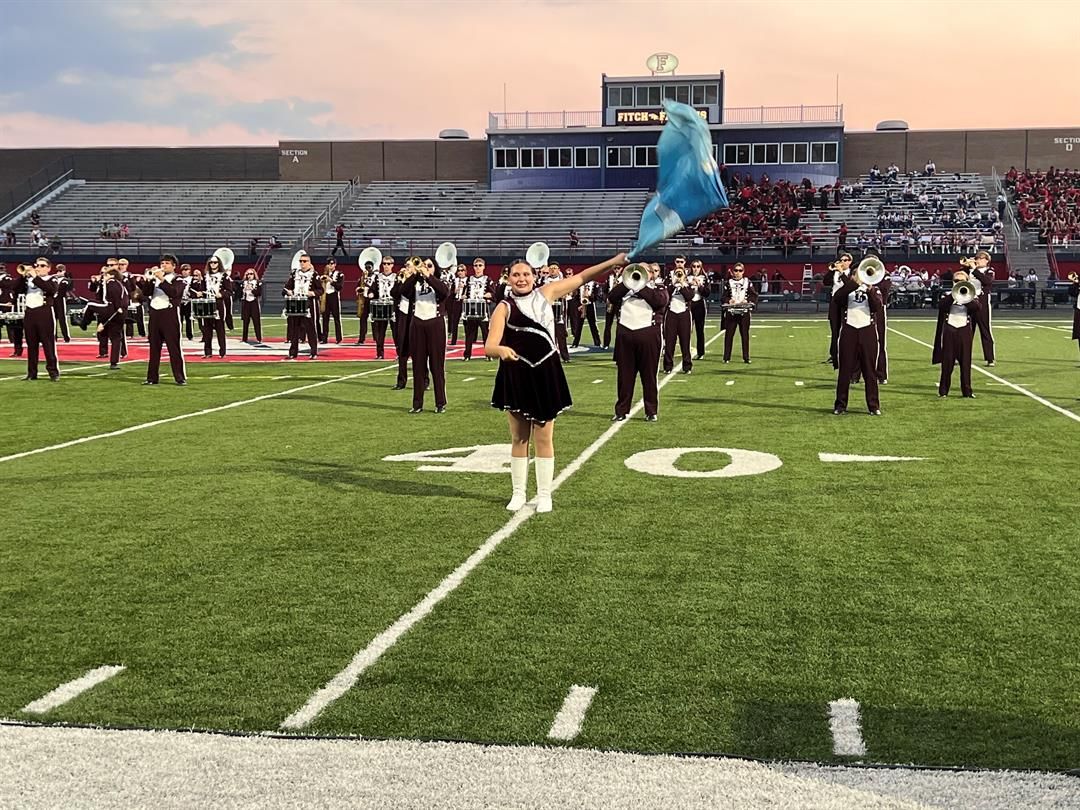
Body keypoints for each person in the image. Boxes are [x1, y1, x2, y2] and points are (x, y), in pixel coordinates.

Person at [486, 253, 626, 513]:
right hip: (516, 373)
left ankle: (544, 495)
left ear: (534, 276)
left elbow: (583, 277)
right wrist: (501, 350)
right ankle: (518, 493)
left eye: (526, 274)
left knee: (544, 436)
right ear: (507, 278)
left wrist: (612, 262)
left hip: (545, 372)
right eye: (516, 275)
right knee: (518, 438)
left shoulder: (546, 293)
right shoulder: (503, 307)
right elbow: (489, 346)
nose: (521, 279)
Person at [608, 262, 668, 422]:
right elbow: (612, 297)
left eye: (643, 270)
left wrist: (640, 285)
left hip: (648, 333)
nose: (638, 273)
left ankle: (651, 410)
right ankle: (621, 410)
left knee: (649, 375)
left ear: (650, 274)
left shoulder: (658, 287)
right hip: (625, 333)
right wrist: (627, 282)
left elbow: (659, 302)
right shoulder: (625, 285)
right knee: (625, 376)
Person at [832, 263, 884, 416]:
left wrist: (869, 290)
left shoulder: (873, 290)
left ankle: (873, 405)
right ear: (853, 276)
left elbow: (876, 307)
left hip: (867, 331)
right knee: (845, 370)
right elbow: (837, 299)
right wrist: (852, 284)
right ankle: (840, 405)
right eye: (858, 275)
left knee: (870, 370)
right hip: (849, 330)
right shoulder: (846, 290)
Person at [400, 257, 450, 413]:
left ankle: (440, 403)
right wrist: (415, 274)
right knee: (418, 366)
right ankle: (417, 404)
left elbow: (444, 292)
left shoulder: (439, 282)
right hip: (417, 324)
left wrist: (429, 276)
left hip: (435, 324)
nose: (426, 267)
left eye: (429, 265)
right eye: (424, 265)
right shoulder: (415, 283)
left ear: (434, 267)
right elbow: (401, 292)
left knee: (437, 365)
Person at [138, 255, 187, 386]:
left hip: (169, 314)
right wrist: (149, 280)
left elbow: (174, 293)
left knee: (174, 348)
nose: (163, 265)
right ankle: (152, 378)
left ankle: (180, 377)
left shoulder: (179, 279)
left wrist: (161, 279)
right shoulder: (155, 279)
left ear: (174, 266)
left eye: (167, 263)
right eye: (162, 263)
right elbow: (146, 293)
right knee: (154, 348)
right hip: (155, 314)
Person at [932, 268, 980, 398]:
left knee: (965, 362)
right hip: (950, 329)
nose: (958, 282)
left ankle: (967, 391)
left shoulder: (971, 295)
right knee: (947, 362)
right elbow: (941, 306)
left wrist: (965, 298)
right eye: (956, 280)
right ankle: (943, 391)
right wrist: (954, 295)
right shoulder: (948, 294)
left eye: (961, 281)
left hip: (964, 330)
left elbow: (977, 308)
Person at [12, 259, 61, 381]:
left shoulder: (52, 279)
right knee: (31, 344)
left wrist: (35, 276)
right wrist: (23, 277)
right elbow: (16, 289)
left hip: (44, 312)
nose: (38, 267)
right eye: (37, 265)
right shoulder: (28, 280)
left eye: (42, 266)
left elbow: (51, 290)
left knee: (48, 344)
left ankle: (53, 372)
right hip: (30, 313)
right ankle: (32, 372)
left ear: (49, 268)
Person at [80, 263, 129, 369]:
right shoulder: (120, 284)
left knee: (90, 304)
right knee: (116, 338)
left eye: (106, 275)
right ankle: (114, 363)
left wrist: (118, 307)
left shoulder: (112, 283)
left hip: (110, 307)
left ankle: (84, 323)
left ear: (111, 275)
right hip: (120, 312)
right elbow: (124, 298)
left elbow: (116, 296)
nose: (104, 277)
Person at [284, 252, 322, 360]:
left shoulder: (314, 275)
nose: (302, 263)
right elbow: (286, 288)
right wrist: (288, 292)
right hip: (296, 303)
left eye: (304, 261)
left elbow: (320, 290)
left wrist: (312, 293)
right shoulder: (294, 274)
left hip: (309, 304)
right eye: (300, 261)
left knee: (311, 329)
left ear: (309, 263)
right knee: (294, 330)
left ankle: (313, 352)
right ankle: (293, 352)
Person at [721, 263, 758, 363]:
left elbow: (754, 295)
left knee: (745, 336)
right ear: (733, 271)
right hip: (731, 312)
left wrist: (747, 301)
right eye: (736, 270)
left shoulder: (747, 282)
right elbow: (723, 297)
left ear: (743, 271)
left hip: (744, 312)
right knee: (729, 336)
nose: (737, 273)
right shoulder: (728, 283)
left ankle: (746, 357)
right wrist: (729, 301)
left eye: (740, 270)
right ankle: (726, 357)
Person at [966, 250, 996, 365]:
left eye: (980, 258)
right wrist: (967, 267)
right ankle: (962, 356)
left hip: (982, 304)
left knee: (985, 330)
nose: (977, 260)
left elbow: (987, 281)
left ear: (986, 260)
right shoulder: (970, 271)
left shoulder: (990, 271)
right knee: (967, 331)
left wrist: (974, 270)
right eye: (977, 258)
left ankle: (990, 358)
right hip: (969, 302)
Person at [663, 264, 693, 374]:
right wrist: (673, 284)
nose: (679, 275)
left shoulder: (688, 284)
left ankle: (687, 366)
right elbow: (666, 296)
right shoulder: (670, 285)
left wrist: (682, 284)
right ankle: (668, 366)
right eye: (677, 273)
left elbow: (689, 296)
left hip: (684, 314)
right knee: (670, 341)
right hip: (671, 313)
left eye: (681, 273)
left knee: (685, 342)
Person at [366, 256, 397, 360]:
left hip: (393, 307)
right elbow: (372, 289)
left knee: (396, 332)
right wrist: (370, 293)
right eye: (384, 264)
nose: (386, 266)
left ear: (392, 265)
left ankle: (399, 353)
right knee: (380, 333)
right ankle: (379, 353)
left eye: (388, 264)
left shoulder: (396, 277)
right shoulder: (377, 277)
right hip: (381, 307)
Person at [462, 258, 492, 360]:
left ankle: (488, 355)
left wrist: (489, 295)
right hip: (471, 310)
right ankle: (467, 355)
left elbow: (494, 294)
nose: (478, 268)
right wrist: (463, 296)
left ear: (484, 267)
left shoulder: (487, 279)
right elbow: (465, 292)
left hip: (483, 310)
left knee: (485, 334)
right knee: (469, 335)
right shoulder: (469, 279)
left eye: (480, 265)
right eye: (476, 265)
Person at [320, 258, 345, 343]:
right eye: (328, 264)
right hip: (325, 296)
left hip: (334, 296)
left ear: (335, 264)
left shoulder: (339, 274)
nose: (330, 265)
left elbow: (339, 287)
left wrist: (331, 281)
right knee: (325, 318)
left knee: (336, 318)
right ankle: (324, 338)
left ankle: (339, 338)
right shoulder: (325, 274)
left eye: (331, 263)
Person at [688, 259, 708, 359]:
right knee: (687, 330)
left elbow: (707, 293)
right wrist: (690, 285)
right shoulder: (687, 277)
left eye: (698, 266)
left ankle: (701, 352)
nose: (695, 268)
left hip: (699, 305)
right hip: (689, 305)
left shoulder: (704, 278)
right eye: (694, 266)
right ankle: (687, 350)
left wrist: (700, 285)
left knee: (700, 330)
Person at [239, 268, 263, 342]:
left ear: (254, 275)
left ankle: (259, 338)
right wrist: (243, 290)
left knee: (256, 321)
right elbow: (239, 294)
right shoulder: (243, 283)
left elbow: (259, 293)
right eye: (248, 274)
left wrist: (252, 289)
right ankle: (244, 338)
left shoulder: (258, 282)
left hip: (254, 303)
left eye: (251, 274)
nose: (249, 275)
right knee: (245, 321)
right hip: (246, 303)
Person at [51, 264, 73, 343]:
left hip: (60, 299)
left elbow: (65, 289)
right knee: (52, 319)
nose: (58, 272)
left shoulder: (66, 280)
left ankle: (66, 337)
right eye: (57, 271)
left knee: (62, 319)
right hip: (53, 300)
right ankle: (53, 337)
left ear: (64, 271)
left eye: (60, 271)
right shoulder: (53, 280)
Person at [447, 264, 467, 345]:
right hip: (456, 301)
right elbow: (450, 292)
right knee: (454, 321)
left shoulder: (469, 280)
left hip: (464, 302)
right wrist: (454, 291)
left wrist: (464, 286)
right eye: (458, 270)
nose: (460, 272)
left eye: (462, 270)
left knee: (466, 322)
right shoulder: (455, 280)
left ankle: (468, 340)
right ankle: (453, 340)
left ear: (465, 271)